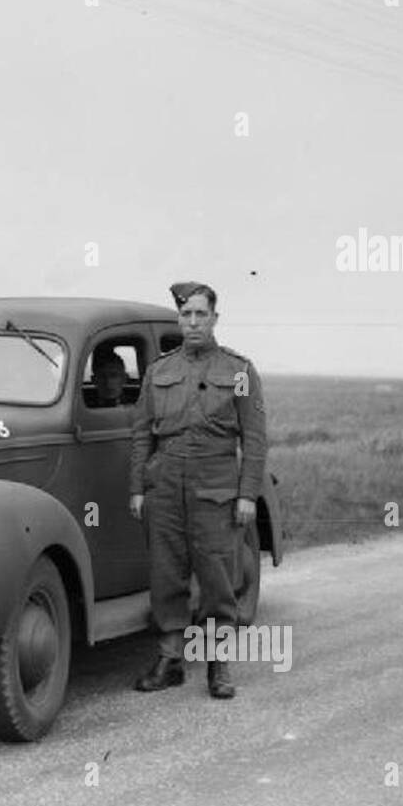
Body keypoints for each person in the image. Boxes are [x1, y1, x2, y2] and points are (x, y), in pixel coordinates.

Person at [128, 282, 267, 699]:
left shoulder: (239, 372)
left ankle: (218, 665)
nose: (192, 322)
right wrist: (137, 488)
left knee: (216, 577)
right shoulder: (159, 372)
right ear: (179, 319)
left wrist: (246, 495)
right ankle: (170, 658)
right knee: (166, 574)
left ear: (214, 319)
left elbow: (255, 438)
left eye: (200, 315)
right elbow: (140, 434)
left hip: (216, 488)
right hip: (166, 488)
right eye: (186, 315)